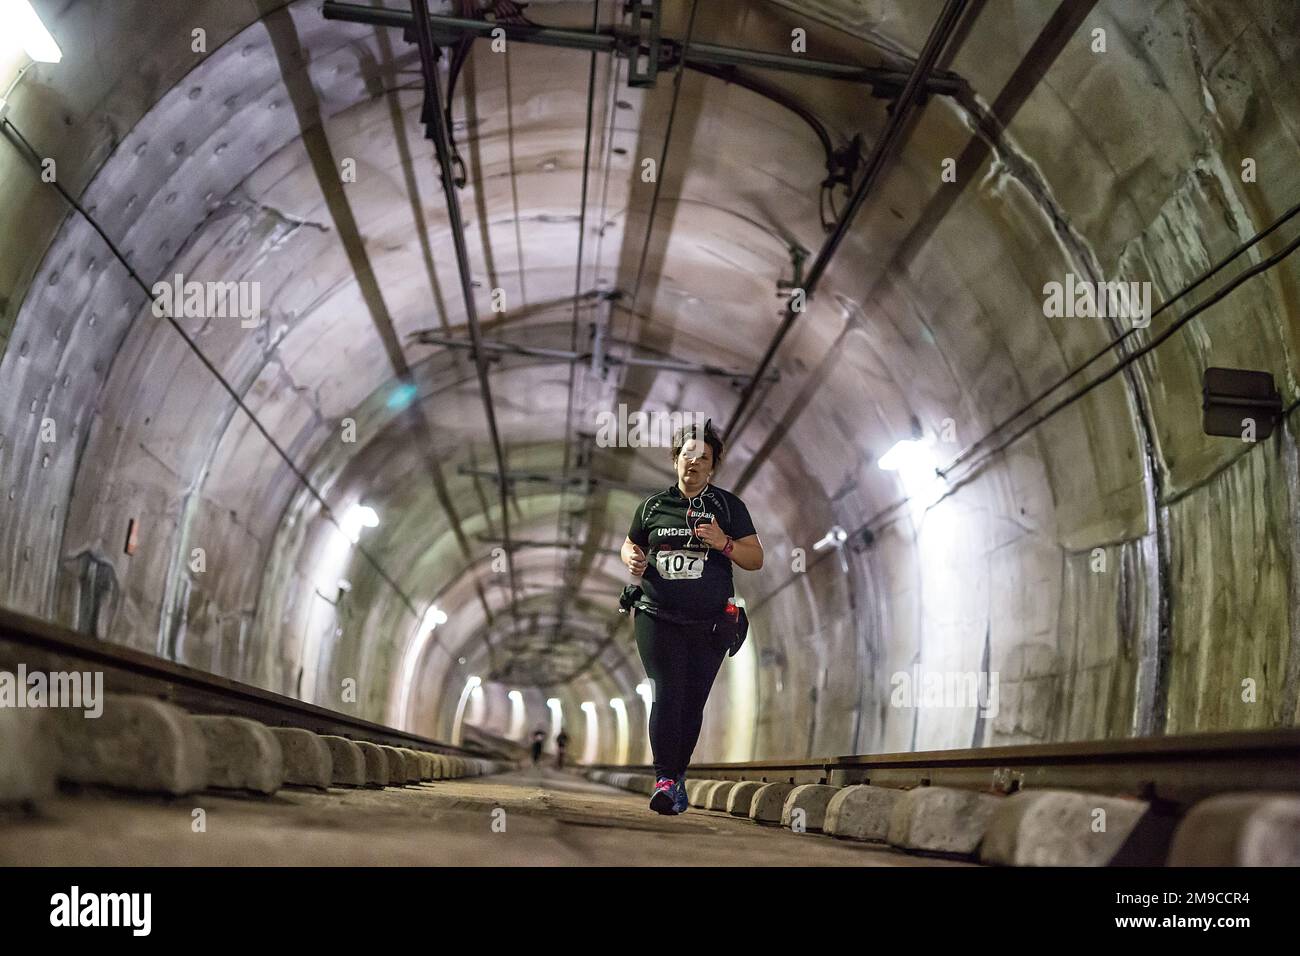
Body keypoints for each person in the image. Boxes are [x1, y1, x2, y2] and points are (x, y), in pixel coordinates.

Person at [620, 419, 763, 814]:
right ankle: (664, 779)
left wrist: (724, 542)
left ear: (712, 466)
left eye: (703, 458)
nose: (693, 464)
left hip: (709, 623)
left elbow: (755, 559)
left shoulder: (728, 507)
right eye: (687, 455)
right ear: (676, 460)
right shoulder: (652, 506)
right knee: (666, 691)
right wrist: (630, 556)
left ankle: (677, 775)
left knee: (691, 701)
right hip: (656, 615)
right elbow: (631, 543)